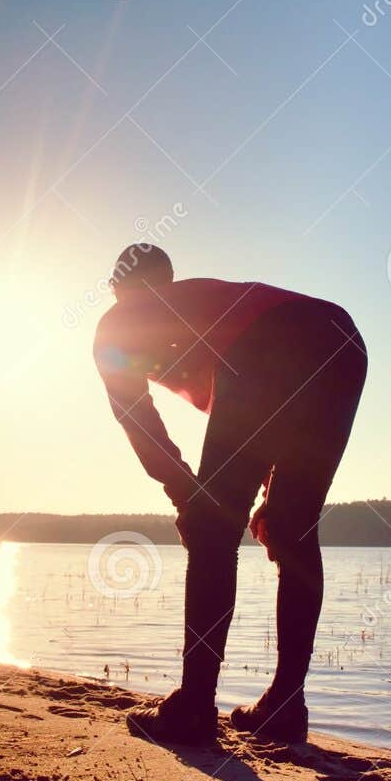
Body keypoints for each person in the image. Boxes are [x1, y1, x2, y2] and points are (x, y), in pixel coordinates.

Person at [93, 244, 367, 747]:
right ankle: (285, 707)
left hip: (271, 341)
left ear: (116, 286)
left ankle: (195, 707)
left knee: (213, 528)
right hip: (342, 341)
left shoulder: (117, 322)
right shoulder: (206, 304)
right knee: (292, 529)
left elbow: (136, 417)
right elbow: (273, 414)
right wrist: (270, 493)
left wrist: (186, 495)